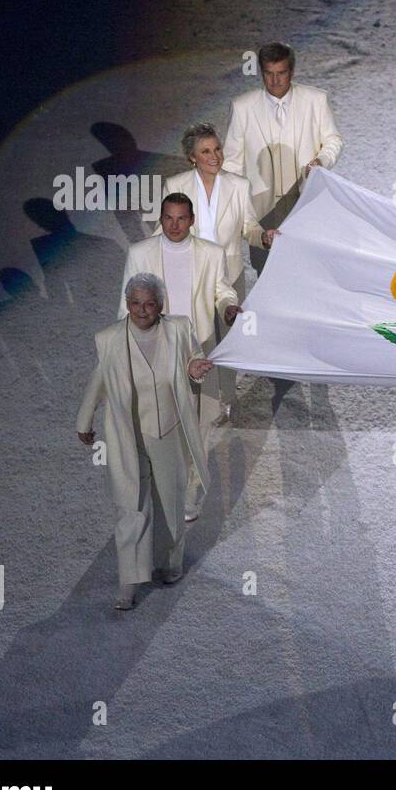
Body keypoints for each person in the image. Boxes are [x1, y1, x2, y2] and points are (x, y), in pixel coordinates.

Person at [77, 274, 214, 610]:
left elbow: (190, 362)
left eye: (149, 303)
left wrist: (195, 368)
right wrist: (84, 419)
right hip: (128, 436)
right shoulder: (109, 339)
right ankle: (129, 581)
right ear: (127, 304)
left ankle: (169, 563)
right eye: (136, 303)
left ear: (160, 305)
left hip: (166, 430)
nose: (142, 310)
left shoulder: (178, 329)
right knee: (130, 506)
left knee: (170, 501)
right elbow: (100, 379)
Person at [119, 193, 240, 519]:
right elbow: (125, 305)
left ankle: (189, 494)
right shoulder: (140, 253)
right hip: (155, 350)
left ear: (192, 220)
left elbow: (222, 289)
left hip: (196, 349)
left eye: (181, 218)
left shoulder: (211, 254)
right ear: (160, 217)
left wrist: (228, 306)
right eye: (168, 217)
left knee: (198, 428)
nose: (174, 225)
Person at [161, 123, 278, 423]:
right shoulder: (175, 186)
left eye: (217, 149)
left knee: (228, 337)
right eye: (206, 151)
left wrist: (262, 237)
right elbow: (164, 230)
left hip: (229, 274)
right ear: (192, 158)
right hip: (192, 274)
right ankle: (204, 399)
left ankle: (228, 398)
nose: (214, 156)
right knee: (201, 338)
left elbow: (248, 228)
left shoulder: (238, 186)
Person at [222, 41, 343, 226]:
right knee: (264, 256)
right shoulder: (242, 107)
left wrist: (322, 160)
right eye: (268, 74)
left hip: (307, 203)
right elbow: (232, 162)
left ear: (292, 72)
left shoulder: (316, 100)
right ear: (261, 72)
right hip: (262, 209)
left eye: (281, 73)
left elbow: (333, 139)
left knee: (306, 255)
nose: (275, 80)